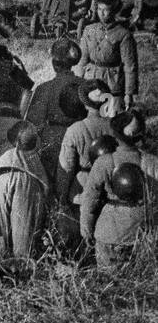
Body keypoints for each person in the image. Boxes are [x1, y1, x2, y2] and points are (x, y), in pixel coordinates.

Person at [78, 109, 158, 269]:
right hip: (142, 233)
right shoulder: (152, 162)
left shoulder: (104, 162)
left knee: (108, 285)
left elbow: (89, 199)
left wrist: (86, 229)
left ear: (116, 135)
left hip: (109, 233)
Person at [0, 120, 48, 258]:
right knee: (22, 241)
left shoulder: (0, 150)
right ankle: (20, 271)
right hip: (25, 182)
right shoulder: (33, 157)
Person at [56, 79, 117, 240]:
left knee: (81, 238)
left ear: (84, 103)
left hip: (81, 190)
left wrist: (61, 198)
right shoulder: (116, 127)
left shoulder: (75, 130)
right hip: (110, 187)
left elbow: (66, 168)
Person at [21, 37, 88, 182]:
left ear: (54, 63)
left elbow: (33, 124)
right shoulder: (86, 86)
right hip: (82, 140)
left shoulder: (44, 88)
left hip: (53, 143)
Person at [79, 0, 139, 109]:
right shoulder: (89, 30)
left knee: (112, 118)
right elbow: (83, 59)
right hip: (90, 81)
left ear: (114, 12)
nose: (101, 13)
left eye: (105, 10)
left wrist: (128, 94)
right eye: (99, 9)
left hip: (112, 84)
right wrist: (77, 82)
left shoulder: (123, 34)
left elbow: (130, 65)